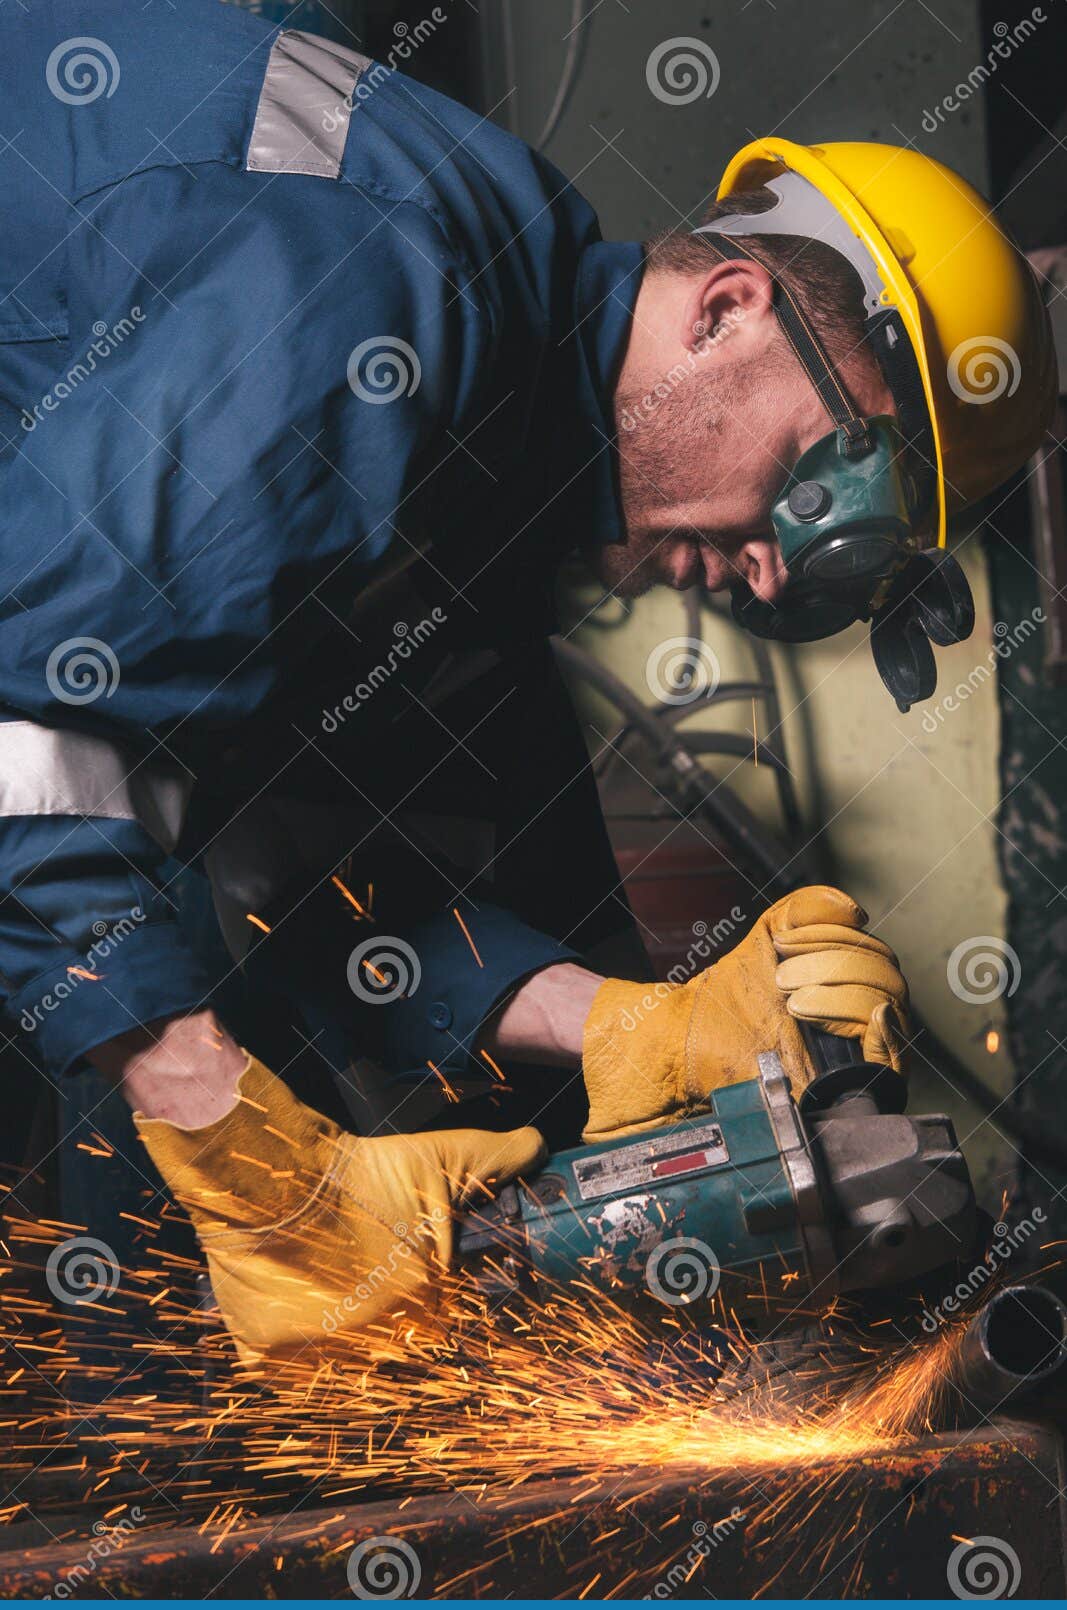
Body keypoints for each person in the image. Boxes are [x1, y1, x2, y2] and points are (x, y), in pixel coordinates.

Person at [0, 3, 1051, 1363]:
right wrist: (246, 1164)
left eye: (855, 560)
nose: (788, 577)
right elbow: (32, 719)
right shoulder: (377, 289)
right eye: (824, 478)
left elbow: (316, 844)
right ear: (731, 308)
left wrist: (629, 1024)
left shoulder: (503, 416)